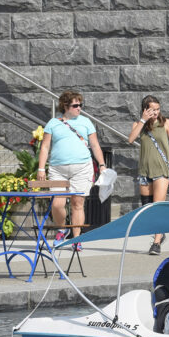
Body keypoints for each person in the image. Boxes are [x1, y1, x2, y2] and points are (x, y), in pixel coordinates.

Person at [35, 90, 107, 244]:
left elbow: (95, 145)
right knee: (57, 203)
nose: (79, 108)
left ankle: (77, 238)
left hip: (82, 167)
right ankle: (62, 230)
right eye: (75, 105)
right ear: (65, 106)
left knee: (77, 203)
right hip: (57, 168)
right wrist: (41, 168)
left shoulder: (86, 122)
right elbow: (45, 147)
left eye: (80, 105)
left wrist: (102, 165)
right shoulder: (53, 123)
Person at [128, 94, 169, 256]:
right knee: (147, 208)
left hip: (162, 171)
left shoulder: (166, 123)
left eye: (157, 109)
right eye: (152, 110)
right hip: (144, 172)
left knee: (157, 207)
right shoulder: (138, 124)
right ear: (145, 110)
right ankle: (160, 234)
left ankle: (156, 242)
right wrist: (142, 120)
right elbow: (130, 139)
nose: (155, 112)